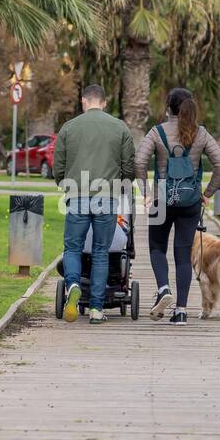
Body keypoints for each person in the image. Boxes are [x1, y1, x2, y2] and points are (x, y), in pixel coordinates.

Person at [135, 87, 220, 324]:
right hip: (190, 202)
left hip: (161, 201)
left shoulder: (157, 132)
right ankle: (181, 311)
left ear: (168, 108)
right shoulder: (202, 133)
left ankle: (164, 288)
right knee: (183, 256)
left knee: (157, 248)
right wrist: (207, 193)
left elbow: (139, 161)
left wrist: (146, 193)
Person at [52, 83, 136, 324]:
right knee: (101, 252)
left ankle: (74, 285)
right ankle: (97, 309)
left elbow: (59, 166)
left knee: (73, 248)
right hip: (107, 197)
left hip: (77, 194)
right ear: (105, 102)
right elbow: (128, 166)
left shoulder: (69, 128)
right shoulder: (120, 128)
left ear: (83, 101)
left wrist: (64, 183)